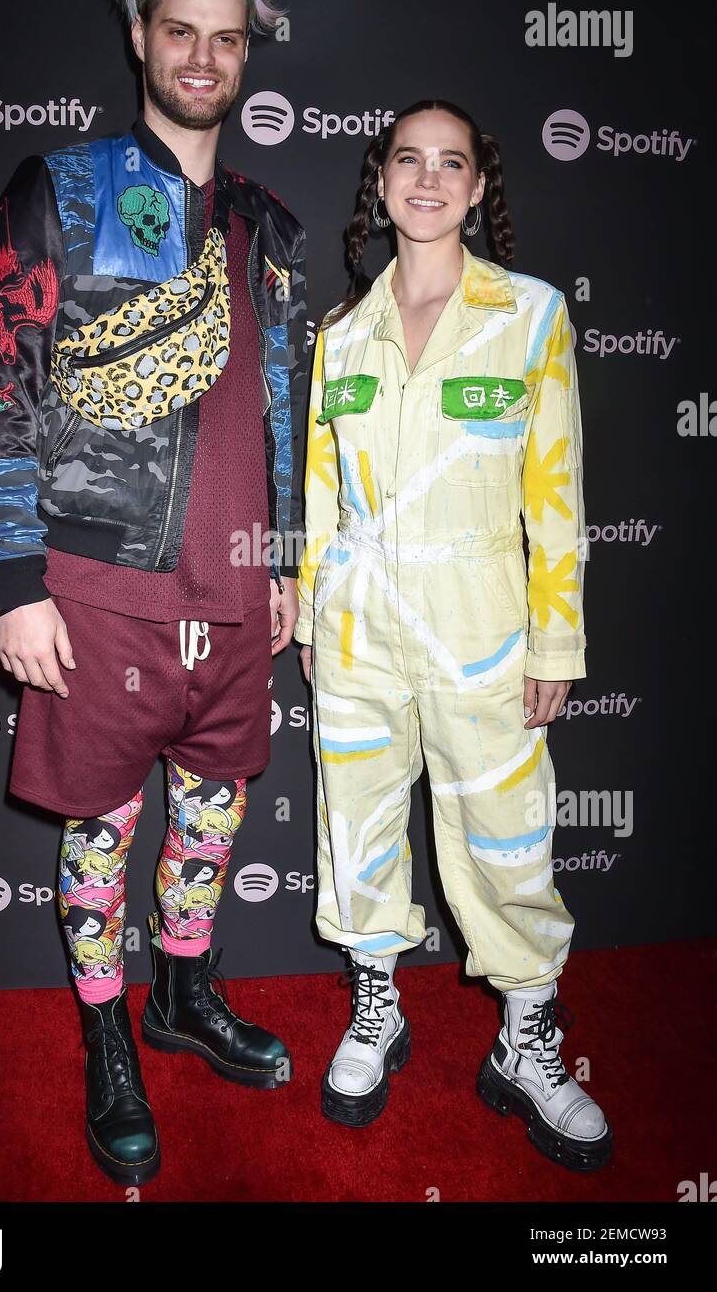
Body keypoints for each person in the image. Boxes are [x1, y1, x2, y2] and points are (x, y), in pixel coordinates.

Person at [0, 0, 308, 1187]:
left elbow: (284, 410)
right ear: (140, 38)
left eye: (225, 38)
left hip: (234, 593)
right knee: (101, 828)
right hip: (99, 588)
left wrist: (284, 565)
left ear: (245, 55)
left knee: (210, 821)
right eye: (181, 34)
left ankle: (182, 993)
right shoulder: (65, 188)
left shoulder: (267, 224)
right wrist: (15, 582)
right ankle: (109, 1034)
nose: (203, 57)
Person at [294, 99, 612, 1172]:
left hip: (482, 636)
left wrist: (555, 643)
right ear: (378, 181)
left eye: (450, 163)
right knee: (359, 830)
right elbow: (321, 492)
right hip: (355, 641)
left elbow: (554, 498)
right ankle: (376, 1007)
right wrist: (310, 604)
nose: (426, 179)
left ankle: (526, 1043)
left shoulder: (527, 315)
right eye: (406, 161)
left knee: (508, 843)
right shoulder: (338, 334)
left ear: (478, 187)